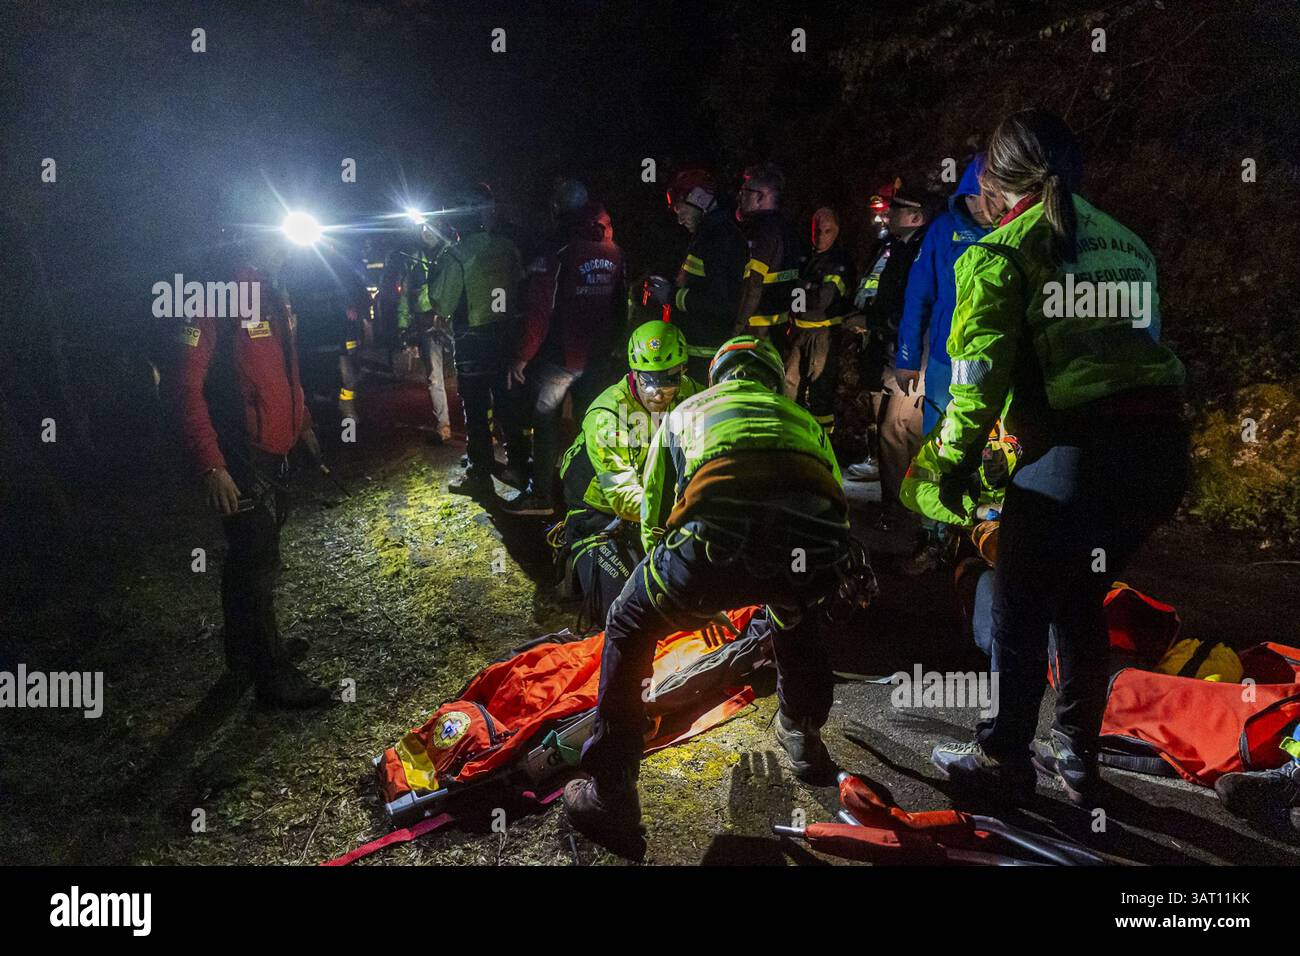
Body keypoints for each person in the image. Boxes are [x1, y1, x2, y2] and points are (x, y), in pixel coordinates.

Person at [926, 109, 1188, 807]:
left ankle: (1003, 760)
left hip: (1074, 459)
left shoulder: (1000, 251)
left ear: (995, 180)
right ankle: (1076, 755)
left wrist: (950, 468)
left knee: (1018, 609)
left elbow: (976, 382)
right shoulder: (1130, 244)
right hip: (1160, 459)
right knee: (1079, 596)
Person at [563, 335, 852, 847]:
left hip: (716, 544)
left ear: (719, 377)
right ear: (769, 378)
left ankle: (611, 790)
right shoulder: (802, 418)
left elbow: (655, 520)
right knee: (796, 614)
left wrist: (676, 595)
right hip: (810, 549)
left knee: (629, 620)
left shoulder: (688, 411)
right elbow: (835, 506)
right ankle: (803, 739)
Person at [170, 236, 331, 708]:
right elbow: (185, 390)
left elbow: (287, 371)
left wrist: (302, 425)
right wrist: (211, 465)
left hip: (272, 454)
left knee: (250, 558)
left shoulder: (272, 291)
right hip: (239, 457)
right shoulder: (211, 298)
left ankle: (245, 654)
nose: (288, 248)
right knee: (257, 564)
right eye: (279, 239)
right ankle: (274, 679)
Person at [558, 321, 701, 627]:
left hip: (659, 508)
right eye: (649, 380)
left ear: (683, 371)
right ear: (634, 373)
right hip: (599, 516)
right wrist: (682, 513)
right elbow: (622, 498)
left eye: (669, 380)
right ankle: (578, 559)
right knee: (626, 615)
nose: (659, 392)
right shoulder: (607, 416)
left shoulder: (690, 393)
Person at [897, 154, 1001, 573]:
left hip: (995, 361)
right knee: (938, 449)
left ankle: (986, 537)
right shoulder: (944, 229)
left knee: (996, 451)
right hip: (944, 362)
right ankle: (933, 537)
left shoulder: (1012, 230)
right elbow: (917, 293)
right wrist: (907, 356)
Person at [503, 201, 627, 516]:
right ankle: (594, 492)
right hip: (598, 358)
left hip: (561, 358)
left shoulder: (560, 253)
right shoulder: (616, 254)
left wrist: (521, 356)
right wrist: (614, 346)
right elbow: (620, 306)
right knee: (594, 424)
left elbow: (539, 312)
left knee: (545, 422)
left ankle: (541, 496)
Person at [842, 184, 939, 530]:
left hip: (914, 356)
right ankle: (903, 506)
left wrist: (870, 322)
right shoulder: (900, 248)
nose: (889, 214)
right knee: (896, 431)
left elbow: (915, 309)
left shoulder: (920, 252)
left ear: (916, 216)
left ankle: (906, 512)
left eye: (897, 208)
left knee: (897, 431)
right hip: (898, 351)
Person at [424, 186, 527, 497]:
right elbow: (519, 285)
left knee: (476, 410)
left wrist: (435, 267)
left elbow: (442, 303)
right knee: (508, 406)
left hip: (473, 340)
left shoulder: (454, 254)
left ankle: (479, 474)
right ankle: (520, 467)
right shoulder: (507, 247)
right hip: (507, 335)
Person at [645, 168, 747, 383]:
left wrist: (671, 296)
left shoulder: (719, 238)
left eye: (680, 210)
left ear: (698, 198)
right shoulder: (708, 233)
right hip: (697, 349)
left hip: (706, 353)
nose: (680, 220)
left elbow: (722, 303)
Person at [787, 207, 853, 435]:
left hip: (824, 335)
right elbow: (795, 295)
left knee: (820, 390)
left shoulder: (839, 261)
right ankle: (792, 436)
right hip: (798, 331)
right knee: (790, 384)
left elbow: (821, 300)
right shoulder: (804, 256)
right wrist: (805, 288)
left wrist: (803, 288)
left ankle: (823, 443)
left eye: (828, 231)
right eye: (817, 231)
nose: (821, 237)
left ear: (837, 231)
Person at [734, 163, 806, 359]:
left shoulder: (760, 231)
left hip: (753, 334)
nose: (740, 196)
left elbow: (752, 286)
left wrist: (735, 327)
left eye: (745, 191)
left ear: (760, 196)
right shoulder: (788, 229)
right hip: (777, 331)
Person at [395, 233, 453, 444]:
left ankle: (480, 425)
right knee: (434, 377)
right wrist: (402, 325)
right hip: (426, 322)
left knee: (467, 373)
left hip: (450, 321)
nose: (424, 232)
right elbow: (405, 294)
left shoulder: (451, 251)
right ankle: (443, 425)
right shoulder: (413, 259)